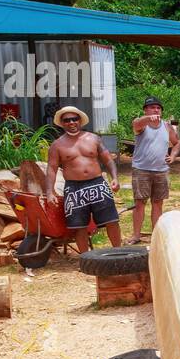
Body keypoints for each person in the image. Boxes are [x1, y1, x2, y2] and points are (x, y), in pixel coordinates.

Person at [46, 106, 122, 253]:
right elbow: (51, 169)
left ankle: (119, 252)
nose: (71, 122)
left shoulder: (93, 138)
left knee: (112, 220)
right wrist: (50, 192)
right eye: (67, 120)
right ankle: (85, 258)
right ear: (62, 123)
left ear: (80, 121)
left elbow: (108, 160)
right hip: (74, 188)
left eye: (74, 119)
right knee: (79, 226)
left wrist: (115, 178)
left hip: (97, 184)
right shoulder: (57, 145)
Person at [126, 97, 180, 244]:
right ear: (145, 110)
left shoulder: (166, 126)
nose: (156, 110)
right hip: (141, 169)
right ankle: (136, 235)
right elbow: (136, 124)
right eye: (152, 107)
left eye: (158, 108)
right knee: (140, 203)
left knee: (157, 203)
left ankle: (156, 235)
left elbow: (176, 142)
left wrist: (173, 156)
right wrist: (147, 118)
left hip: (161, 170)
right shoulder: (142, 125)